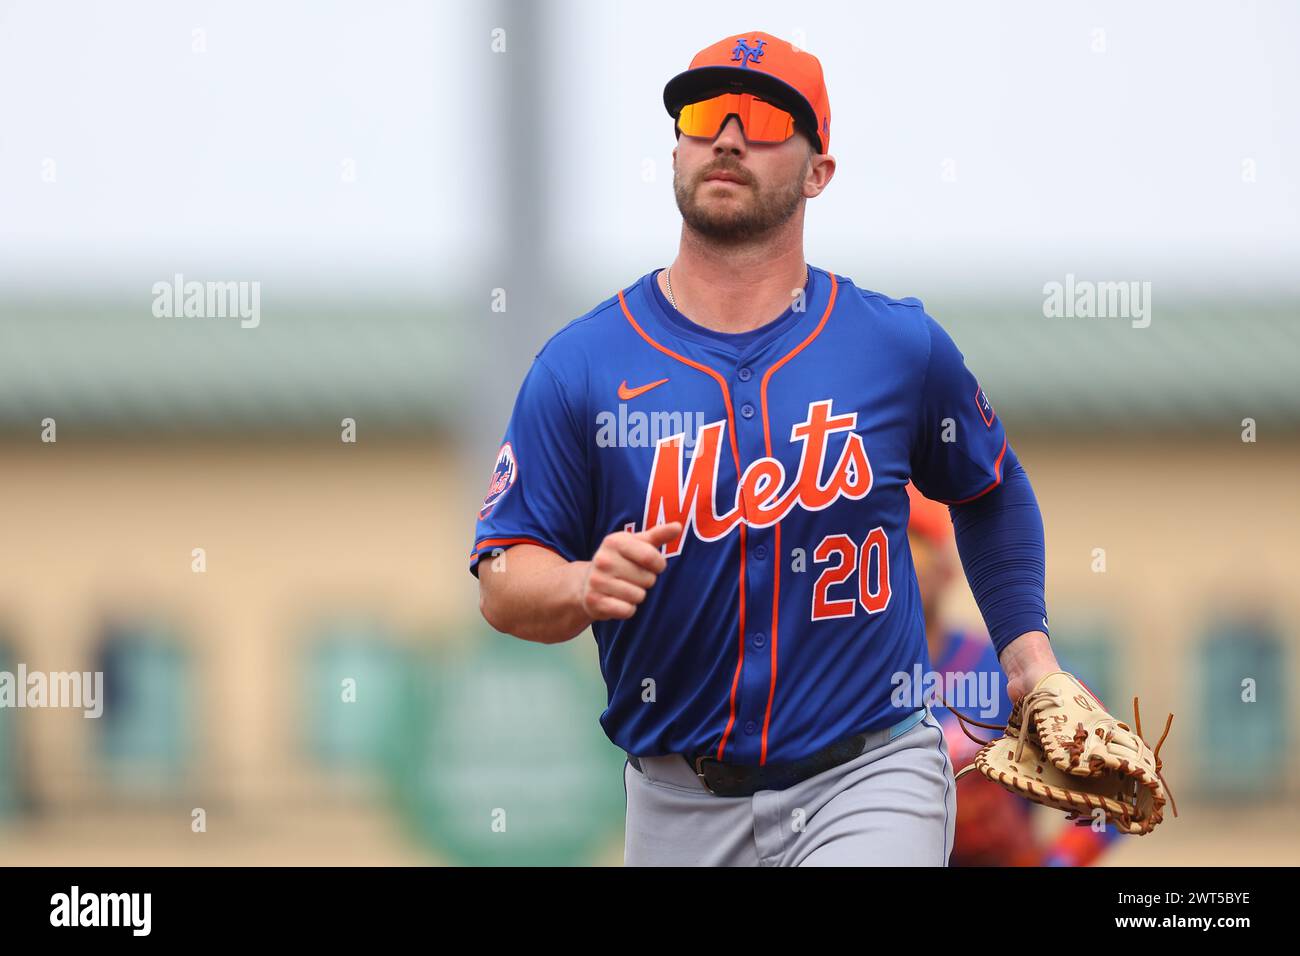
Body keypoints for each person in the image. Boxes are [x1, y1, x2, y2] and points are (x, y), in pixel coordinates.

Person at [473, 30, 1064, 866]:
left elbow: (991, 487)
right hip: (676, 797)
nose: (727, 136)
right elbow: (501, 578)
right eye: (704, 115)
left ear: (819, 170)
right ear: (676, 149)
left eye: (761, 117)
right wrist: (577, 581)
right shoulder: (583, 367)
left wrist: (1028, 657)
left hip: (870, 775)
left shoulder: (894, 346)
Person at [907, 485, 1118, 866]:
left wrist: (1058, 861)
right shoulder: (844, 679)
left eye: (914, 541)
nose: (900, 559)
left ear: (946, 569)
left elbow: (1114, 788)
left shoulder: (1006, 668)